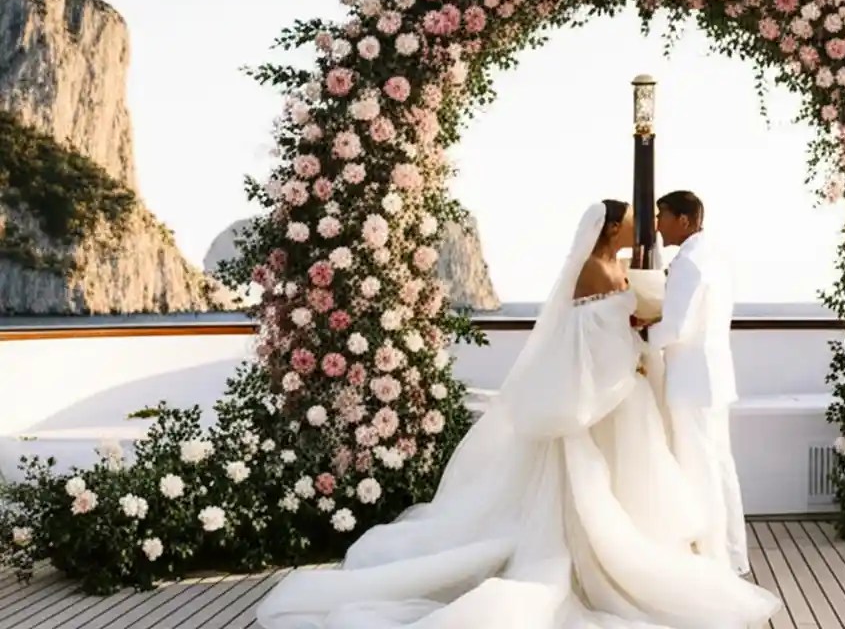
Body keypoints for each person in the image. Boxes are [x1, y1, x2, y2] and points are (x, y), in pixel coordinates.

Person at [256, 200, 780, 629]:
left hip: (622, 391)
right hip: (608, 393)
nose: (633, 232)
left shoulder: (618, 268)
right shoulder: (595, 271)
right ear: (608, 230)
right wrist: (639, 338)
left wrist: (641, 329)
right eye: (624, 226)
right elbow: (595, 339)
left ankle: (674, 549)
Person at [647, 190, 750, 576]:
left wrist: (640, 336)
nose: (658, 224)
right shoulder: (715, 256)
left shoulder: (689, 263)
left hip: (692, 382)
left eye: (663, 215)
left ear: (685, 220)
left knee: (701, 467)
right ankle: (732, 553)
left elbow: (675, 328)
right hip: (713, 377)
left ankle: (713, 559)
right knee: (720, 465)